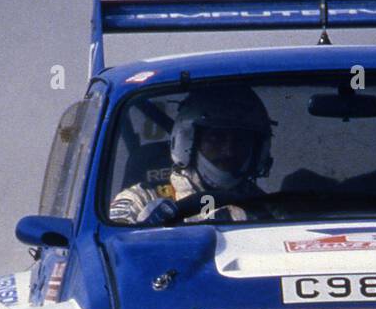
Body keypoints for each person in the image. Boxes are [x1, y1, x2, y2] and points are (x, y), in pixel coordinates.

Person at [110, 84, 273, 224]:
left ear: (257, 149)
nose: (229, 151)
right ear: (187, 141)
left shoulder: (271, 209)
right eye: (216, 138)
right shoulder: (142, 200)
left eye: (240, 140)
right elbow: (113, 247)